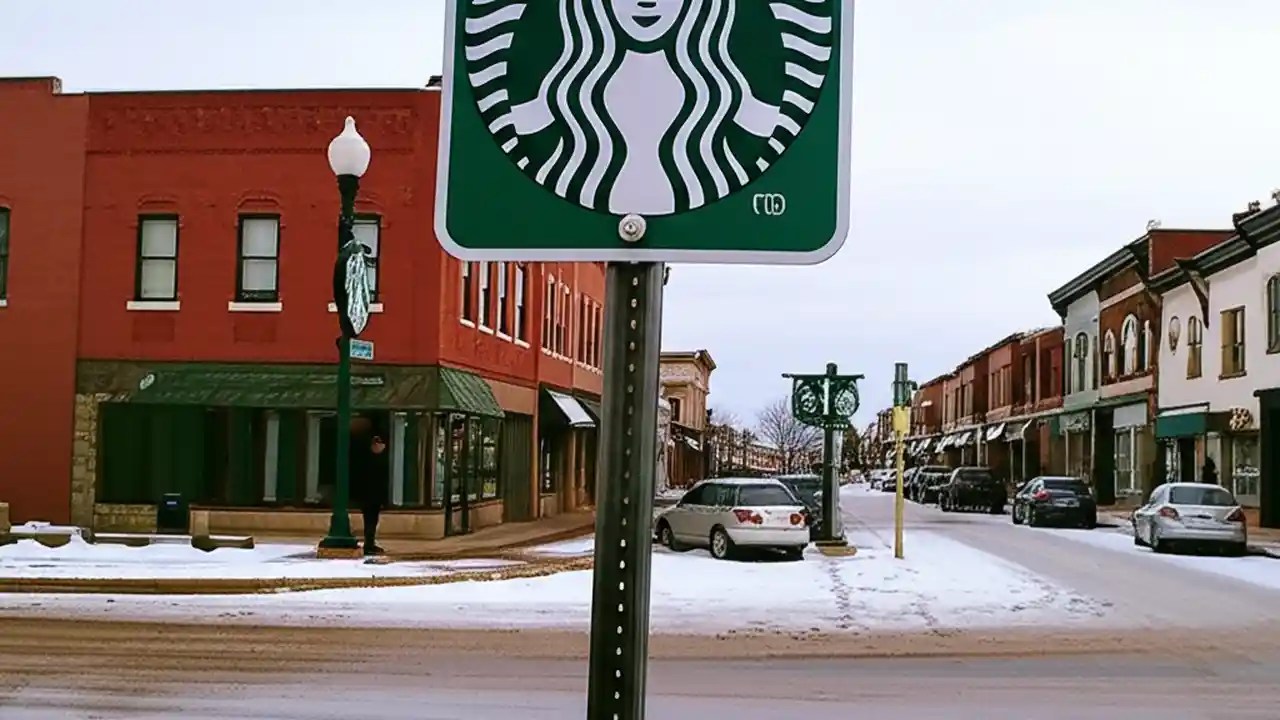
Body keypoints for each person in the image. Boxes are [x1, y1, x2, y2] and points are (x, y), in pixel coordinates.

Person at [361, 434, 390, 556]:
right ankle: (368, 545)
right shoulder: (370, 461)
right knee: (370, 522)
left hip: (374, 497)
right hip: (369, 497)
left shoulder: (382, 460)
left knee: (372, 522)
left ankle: (370, 543)